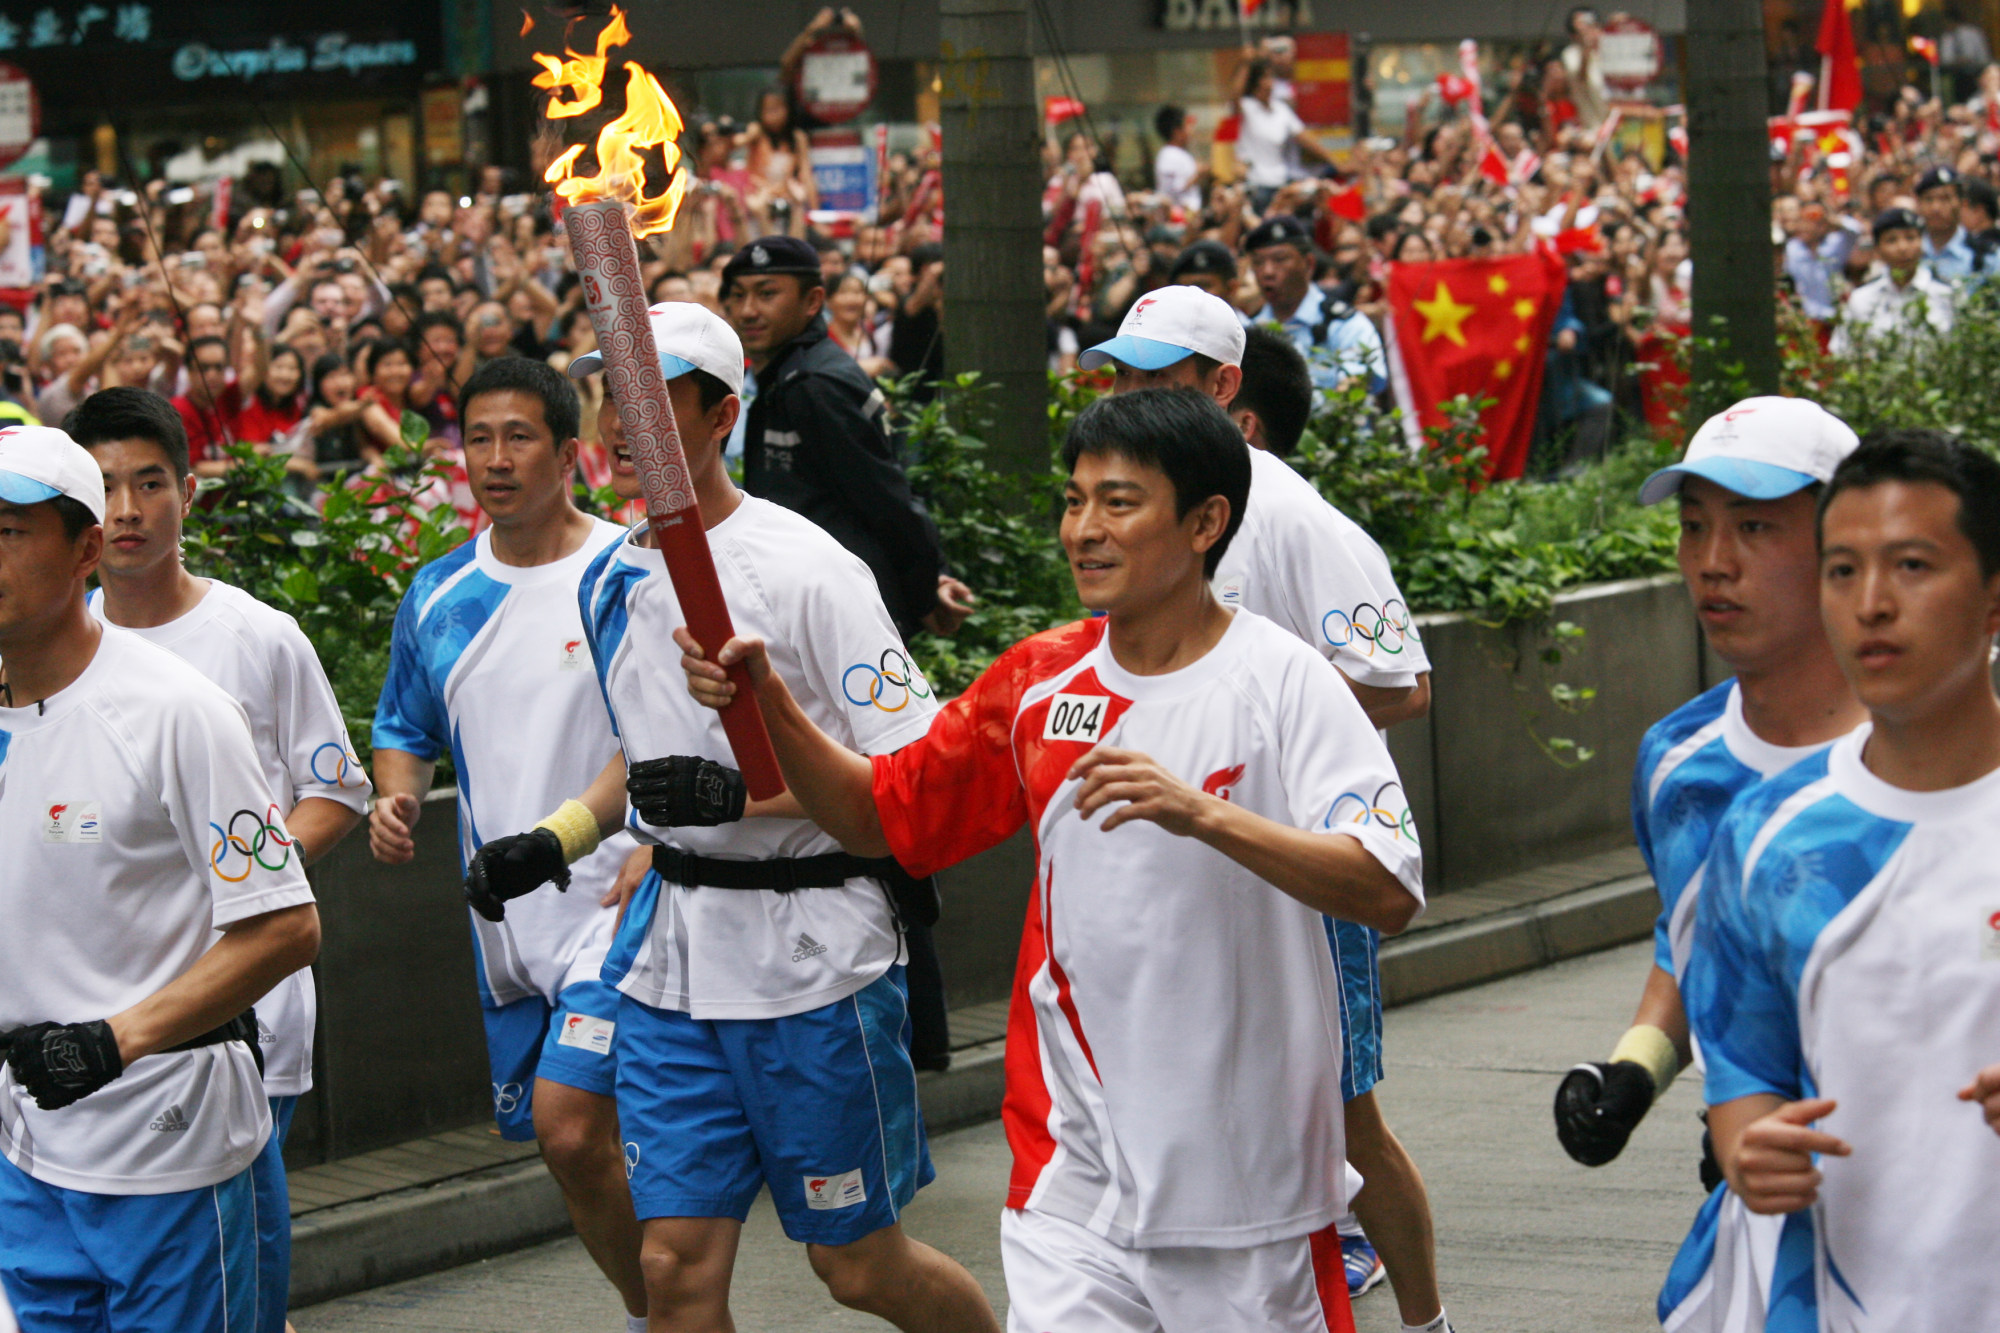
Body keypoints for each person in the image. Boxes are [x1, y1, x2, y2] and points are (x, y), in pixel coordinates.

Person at [678, 386, 1424, 1332]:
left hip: (1246, 1187)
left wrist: (1205, 814)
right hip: (1069, 1174)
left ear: (1205, 521)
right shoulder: (1039, 680)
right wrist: (770, 701)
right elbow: (880, 815)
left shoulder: (1286, 682)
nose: (1085, 529)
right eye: (1075, 500)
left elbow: (1388, 886)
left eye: (1120, 501)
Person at [466, 302, 1001, 1333]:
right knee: (671, 1266)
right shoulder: (616, 573)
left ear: (720, 415)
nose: (624, 424)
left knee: (857, 1266)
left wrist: (744, 799)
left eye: (653, 400)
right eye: (612, 397)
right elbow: (644, 752)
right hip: (673, 959)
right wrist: (558, 838)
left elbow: (908, 769)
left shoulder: (808, 571)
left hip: (811, 959)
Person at [1551, 398, 1866, 1330]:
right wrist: (1633, 1074)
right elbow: (1691, 946)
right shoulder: (1676, 763)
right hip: (1757, 1228)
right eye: (1695, 528)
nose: (1713, 561)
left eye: (1755, 528)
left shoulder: (1931, 763)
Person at [0, 424, 320, 1332]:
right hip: (26, 1148)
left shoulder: (178, 712)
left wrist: (116, 1038)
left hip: (173, 1147)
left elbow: (286, 926)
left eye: (10, 531)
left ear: (85, 548)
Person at [68, 386, 372, 1333]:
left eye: (149, 483)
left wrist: (238, 884)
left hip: (242, 1017)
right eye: (106, 487)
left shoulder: (255, 637)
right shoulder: (45, 642)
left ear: (187, 494)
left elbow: (335, 788)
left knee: (241, 1281)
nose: (127, 510)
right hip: (87, 1020)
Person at [1685, 428, 2000, 1330]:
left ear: (1993, 599)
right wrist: (1749, 1149)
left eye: (1911, 565)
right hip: (1833, 1296)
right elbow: (1744, 1070)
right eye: (1841, 570)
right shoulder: (1768, 834)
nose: (1871, 604)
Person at [368, 357, 648, 1332]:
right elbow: (403, 727)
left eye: (518, 436)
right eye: (477, 438)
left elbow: (654, 742)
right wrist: (395, 801)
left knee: (572, 1132)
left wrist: (565, 835)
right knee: (566, 1142)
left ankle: (666, 1311)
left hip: (626, 906)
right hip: (508, 933)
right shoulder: (440, 593)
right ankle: (662, 1303)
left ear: (569, 452)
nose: (495, 458)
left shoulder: (623, 575)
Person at [1244, 214, 1387, 394]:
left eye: (1280, 259)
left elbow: (1357, 386)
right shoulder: (1249, 331)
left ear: (1309, 264)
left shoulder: (1344, 324)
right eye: (1258, 263)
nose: (1268, 272)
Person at [1830, 209, 1956, 357]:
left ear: (1922, 244)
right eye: (1891, 240)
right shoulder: (1861, 299)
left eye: (1910, 238)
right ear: (1877, 250)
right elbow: (1841, 350)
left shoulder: (1947, 293)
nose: (1902, 248)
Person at [1914, 165, 1977, 283]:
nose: (1935, 208)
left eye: (1945, 199)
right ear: (1918, 204)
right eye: (1928, 199)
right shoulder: (1908, 253)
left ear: (1962, 203)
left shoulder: (1982, 255)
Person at [1153, 105, 1203, 212]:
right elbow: (1174, 189)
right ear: (1176, 131)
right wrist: (1198, 174)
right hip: (1177, 215)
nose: (1191, 130)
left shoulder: (1180, 153)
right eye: (1187, 126)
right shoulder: (1168, 155)